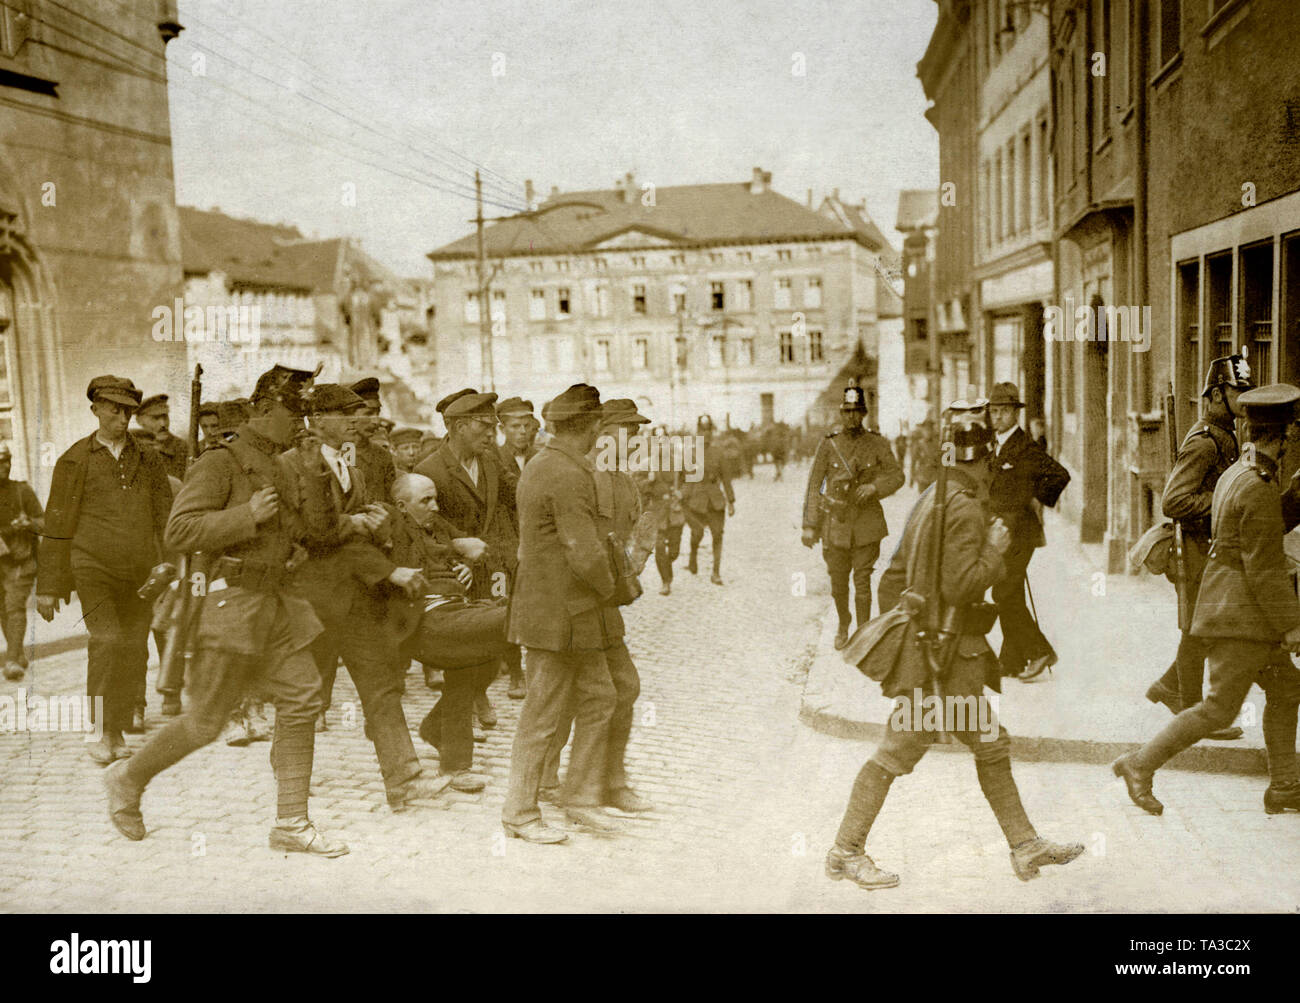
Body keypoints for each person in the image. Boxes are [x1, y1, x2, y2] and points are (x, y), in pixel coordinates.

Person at [830, 399, 1083, 890]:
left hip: (943, 655)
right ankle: (845, 851)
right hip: (943, 661)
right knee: (897, 751)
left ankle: (1025, 845)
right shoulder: (965, 508)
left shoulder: (932, 497)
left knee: (989, 743)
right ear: (986, 459)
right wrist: (995, 550)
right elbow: (962, 584)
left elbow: (894, 576)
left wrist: (909, 626)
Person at [101, 365, 348, 856]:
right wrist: (246, 516)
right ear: (263, 410)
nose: (301, 424)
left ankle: (291, 822)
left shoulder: (284, 462)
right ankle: (127, 778)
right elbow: (180, 531)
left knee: (303, 698)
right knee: (205, 722)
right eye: (293, 414)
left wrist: (312, 492)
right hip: (231, 604)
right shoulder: (222, 461)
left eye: (305, 415)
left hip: (277, 602)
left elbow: (310, 531)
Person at [1116, 383, 1300, 816]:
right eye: (1291, 432)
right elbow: (1264, 566)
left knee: (1287, 688)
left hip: (1234, 608)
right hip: (1241, 618)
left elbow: (1258, 530)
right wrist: (1292, 624)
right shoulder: (1257, 486)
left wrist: (1294, 497)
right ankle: (1140, 765)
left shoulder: (1240, 472)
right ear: (1284, 436)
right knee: (1218, 709)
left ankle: (1285, 787)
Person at [282, 383, 452, 809]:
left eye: (357, 413)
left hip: (355, 598)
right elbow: (304, 532)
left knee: (381, 685)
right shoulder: (290, 465)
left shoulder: (352, 469)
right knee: (307, 698)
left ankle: (403, 779)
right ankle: (287, 782)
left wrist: (378, 526)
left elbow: (353, 531)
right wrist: (361, 533)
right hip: (311, 600)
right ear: (318, 419)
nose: (357, 421)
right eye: (346, 414)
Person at [501, 384, 622, 844]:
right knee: (542, 713)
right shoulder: (565, 472)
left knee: (600, 696)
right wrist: (614, 589)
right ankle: (519, 812)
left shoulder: (547, 463)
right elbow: (583, 551)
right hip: (556, 614)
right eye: (598, 427)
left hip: (567, 610)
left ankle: (579, 798)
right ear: (590, 426)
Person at [38, 376, 172, 762]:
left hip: (140, 571)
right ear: (95, 409)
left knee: (132, 648)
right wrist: (48, 586)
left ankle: (115, 728)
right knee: (107, 641)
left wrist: (170, 564)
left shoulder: (147, 458)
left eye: (128, 410)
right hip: (92, 567)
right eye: (114, 409)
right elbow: (57, 524)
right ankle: (99, 730)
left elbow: (165, 515)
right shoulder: (74, 460)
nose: (122, 417)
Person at [538, 399, 656, 815]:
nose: (635, 440)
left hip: (602, 601)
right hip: (571, 603)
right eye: (628, 432)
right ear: (603, 431)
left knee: (623, 687)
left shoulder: (623, 480)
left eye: (637, 433)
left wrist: (635, 560)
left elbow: (627, 537)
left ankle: (610, 781)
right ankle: (554, 781)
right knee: (568, 695)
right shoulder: (581, 475)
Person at [1144, 355, 1251, 740]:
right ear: (1217, 395)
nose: (1243, 399)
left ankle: (1172, 689)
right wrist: (1222, 500)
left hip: (1212, 546)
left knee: (1203, 629)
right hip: (1196, 547)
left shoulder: (1224, 434)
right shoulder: (1205, 442)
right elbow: (1173, 501)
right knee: (1198, 629)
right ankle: (1189, 711)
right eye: (1237, 391)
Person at [390, 472, 510, 793]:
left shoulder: (438, 525)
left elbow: (475, 548)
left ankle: (448, 749)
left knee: (480, 661)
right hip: (424, 621)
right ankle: (450, 752)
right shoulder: (394, 527)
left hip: (455, 610)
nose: (435, 506)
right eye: (425, 500)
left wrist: (466, 565)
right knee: (511, 619)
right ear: (401, 506)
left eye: (435, 498)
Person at [414, 392, 520, 727]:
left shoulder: (490, 460)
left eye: (493, 426)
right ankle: (467, 704)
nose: (491, 433)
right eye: (484, 426)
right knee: (462, 642)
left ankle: (477, 692)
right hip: (456, 570)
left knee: (496, 635)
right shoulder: (429, 469)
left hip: (493, 563)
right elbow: (425, 525)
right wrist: (455, 552)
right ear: (459, 427)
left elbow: (514, 497)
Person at [802, 385, 905, 649]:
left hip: (866, 523)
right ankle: (843, 623)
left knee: (862, 582)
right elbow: (814, 485)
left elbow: (897, 475)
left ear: (864, 413)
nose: (851, 417)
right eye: (847, 412)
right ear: (841, 413)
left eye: (856, 412)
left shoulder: (878, 443)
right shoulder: (829, 444)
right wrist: (809, 525)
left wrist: (875, 488)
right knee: (838, 584)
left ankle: (862, 633)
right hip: (836, 524)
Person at [985, 382, 1071, 681]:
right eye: (994, 411)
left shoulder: (1025, 447)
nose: (997, 417)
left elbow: (1060, 475)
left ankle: (1039, 650)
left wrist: (1033, 496)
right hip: (1002, 531)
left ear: (1015, 414)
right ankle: (1011, 660)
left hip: (1021, 531)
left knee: (1002, 592)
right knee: (1011, 590)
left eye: (1003, 411)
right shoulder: (994, 444)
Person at [0, 443, 42, 681]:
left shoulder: (21, 491)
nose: (4, 466)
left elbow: (44, 521)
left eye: (6, 461)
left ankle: (12, 660)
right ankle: (17, 653)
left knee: (14, 604)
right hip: (1, 562)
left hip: (21, 559)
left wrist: (28, 524)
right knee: (3, 608)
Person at [682, 414, 735, 585]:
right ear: (697, 432)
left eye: (708, 430)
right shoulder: (690, 453)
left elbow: (726, 478)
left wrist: (731, 501)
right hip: (696, 500)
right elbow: (684, 478)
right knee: (697, 534)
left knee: (717, 535)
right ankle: (693, 556)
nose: (706, 434)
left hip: (715, 500)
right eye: (702, 430)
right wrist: (683, 499)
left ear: (712, 432)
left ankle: (715, 572)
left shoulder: (719, 453)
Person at [647, 426, 688, 596]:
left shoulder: (678, 462)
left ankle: (668, 567)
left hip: (674, 510)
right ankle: (665, 581)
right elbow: (637, 484)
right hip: (657, 512)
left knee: (673, 551)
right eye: (656, 439)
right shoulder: (648, 463)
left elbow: (688, 481)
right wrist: (648, 481)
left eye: (663, 438)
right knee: (659, 548)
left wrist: (681, 493)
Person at [347, 377, 397, 503]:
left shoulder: (383, 456)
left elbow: (391, 501)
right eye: (368, 414)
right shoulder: (338, 453)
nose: (376, 421)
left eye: (377, 413)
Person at [131, 394, 188, 482]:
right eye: (155, 418)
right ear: (140, 421)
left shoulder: (182, 448)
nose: (163, 424)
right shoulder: (133, 447)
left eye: (165, 417)